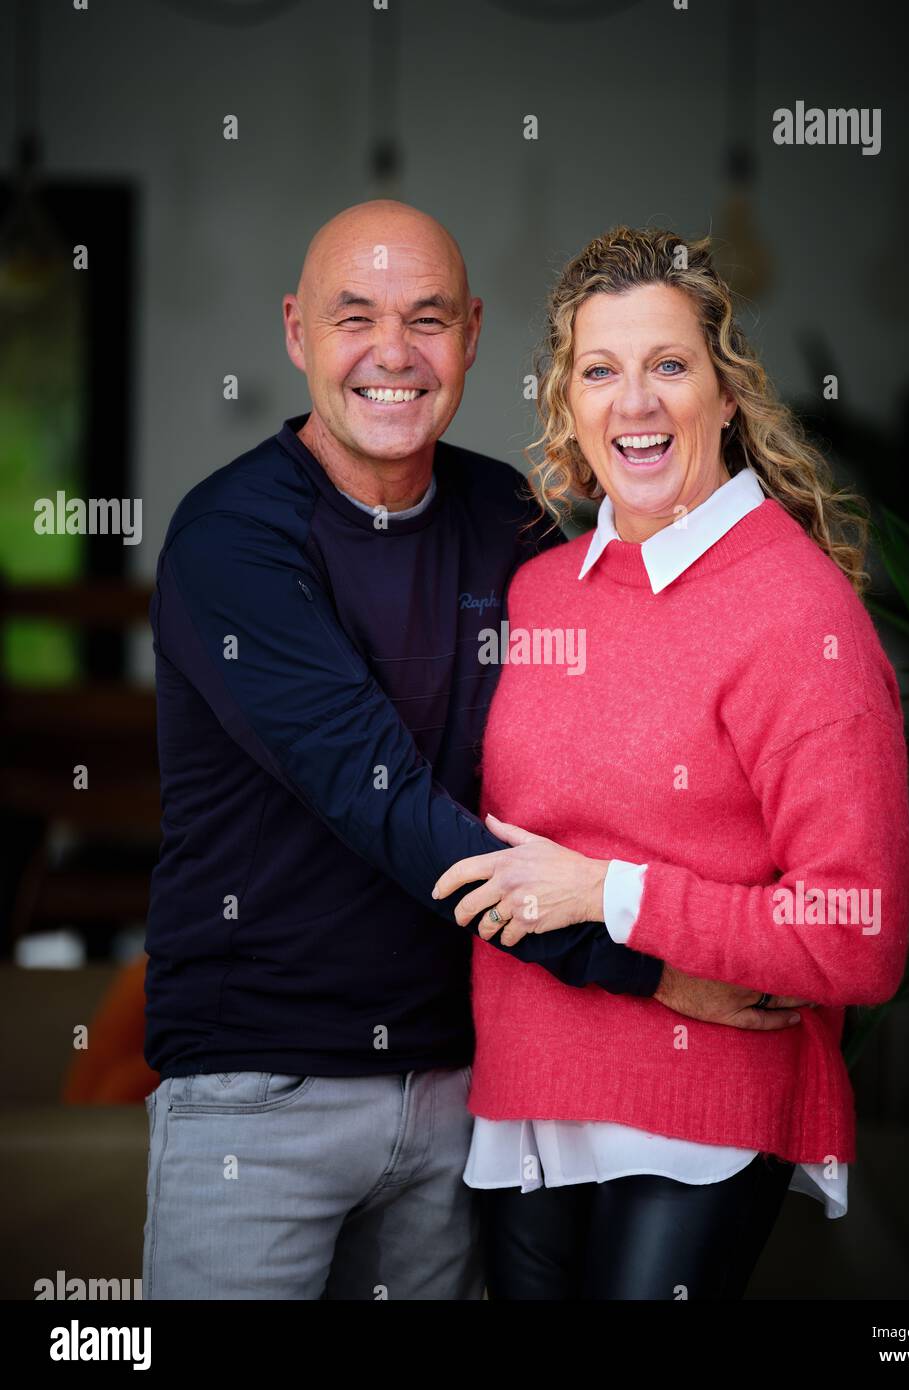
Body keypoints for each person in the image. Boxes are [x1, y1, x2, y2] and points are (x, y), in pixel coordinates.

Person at [140, 201, 803, 1301]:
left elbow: (664, 622)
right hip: (257, 1094)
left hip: (460, 1093)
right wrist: (656, 968)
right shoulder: (233, 541)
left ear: (474, 333)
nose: (392, 353)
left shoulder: (511, 520)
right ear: (296, 332)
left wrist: (793, 611)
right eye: (355, 317)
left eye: (427, 318)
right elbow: (385, 804)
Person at [433, 226, 909, 1300]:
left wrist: (608, 894)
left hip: (699, 1115)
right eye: (599, 371)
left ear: (727, 392)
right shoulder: (540, 594)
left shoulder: (796, 612)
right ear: (567, 402)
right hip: (523, 1102)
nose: (634, 404)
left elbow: (858, 937)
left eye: (667, 366)